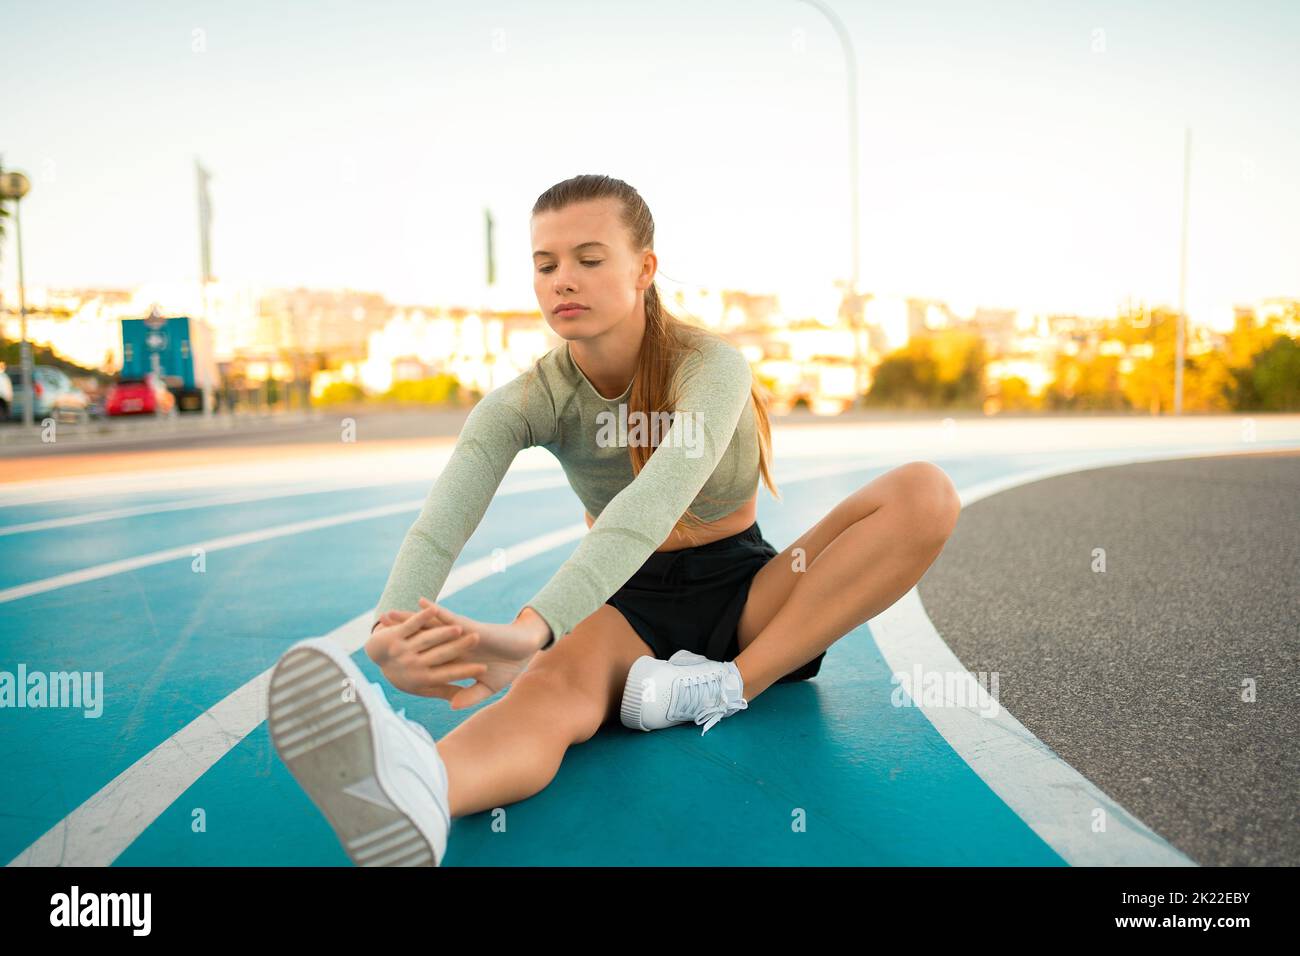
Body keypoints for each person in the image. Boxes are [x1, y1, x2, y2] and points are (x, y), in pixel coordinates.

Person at [268, 174, 962, 867]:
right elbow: (440, 526)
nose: (563, 280)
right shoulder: (526, 401)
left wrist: (530, 627)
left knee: (924, 492)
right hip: (626, 601)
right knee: (544, 693)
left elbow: (653, 502)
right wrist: (389, 629)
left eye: (589, 259)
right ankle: (424, 785)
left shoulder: (712, 366)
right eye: (545, 265)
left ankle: (727, 686)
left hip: (750, 593)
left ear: (644, 269)